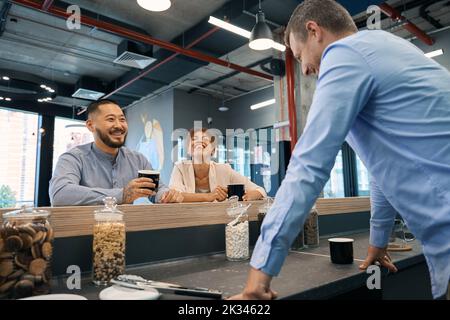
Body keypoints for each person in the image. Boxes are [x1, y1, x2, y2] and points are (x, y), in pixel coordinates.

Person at [230, 0, 450, 300]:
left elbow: (308, 165)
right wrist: (378, 242)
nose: (305, 69)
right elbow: (383, 167)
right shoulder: (385, 46)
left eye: (298, 55)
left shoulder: (344, 54)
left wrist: (259, 277)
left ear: (314, 30)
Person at [49, 99, 183, 206]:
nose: (119, 125)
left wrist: (167, 195)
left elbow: (157, 189)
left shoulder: (138, 159)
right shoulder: (74, 158)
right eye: (111, 119)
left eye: (122, 119)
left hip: (128, 231)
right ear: (90, 125)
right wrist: (122, 195)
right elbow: (60, 194)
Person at [169, 128, 266, 202]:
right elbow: (175, 196)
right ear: (189, 150)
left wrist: (247, 195)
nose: (199, 141)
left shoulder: (224, 169)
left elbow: (260, 190)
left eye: (204, 139)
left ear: (213, 151)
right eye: (194, 139)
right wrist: (210, 196)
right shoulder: (180, 168)